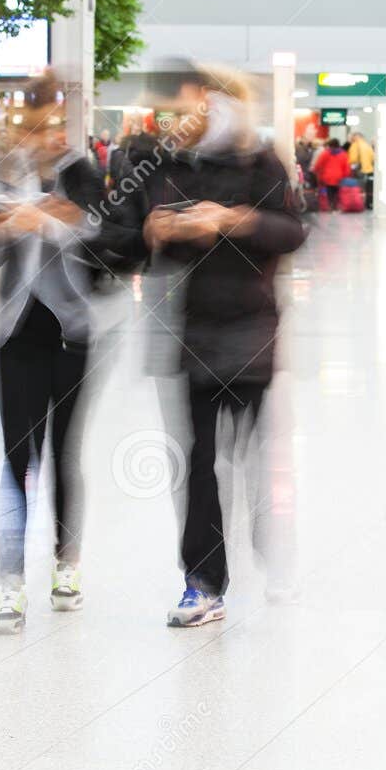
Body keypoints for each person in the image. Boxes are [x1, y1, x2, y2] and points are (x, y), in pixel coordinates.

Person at [138, 65, 305, 627]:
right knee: (202, 460)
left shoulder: (263, 160)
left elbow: (291, 231)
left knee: (253, 455)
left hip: (252, 329)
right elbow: (147, 234)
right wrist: (163, 230)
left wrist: (232, 221)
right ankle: (203, 582)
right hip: (197, 332)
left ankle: (270, 543)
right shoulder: (179, 165)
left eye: (198, 106)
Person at [0, 76, 116, 631]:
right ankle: (9, 581)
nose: (40, 133)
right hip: (13, 331)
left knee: (64, 451)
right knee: (16, 455)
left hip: (73, 331)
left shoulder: (83, 172)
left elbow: (107, 235)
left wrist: (56, 223)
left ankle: (67, 563)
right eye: (29, 123)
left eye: (49, 122)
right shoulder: (0, 172)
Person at [314, 137, 351, 210]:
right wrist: (346, 176)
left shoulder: (325, 153)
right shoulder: (343, 154)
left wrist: (316, 171)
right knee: (337, 192)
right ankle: (336, 206)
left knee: (329, 192)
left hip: (327, 177)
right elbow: (346, 167)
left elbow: (319, 164)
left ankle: (330, 205)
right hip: (339, 177)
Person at [347, 131, 376, 209]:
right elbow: (373, 158)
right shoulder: (367, 145)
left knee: (358, 189)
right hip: (369, 170)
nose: (351, 138)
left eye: (352, 137)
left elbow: (353, 159)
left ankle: (357, 204)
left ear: (356, 137)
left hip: (359, 170)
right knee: (368, 189)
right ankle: (368, 204)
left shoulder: (355, 145)